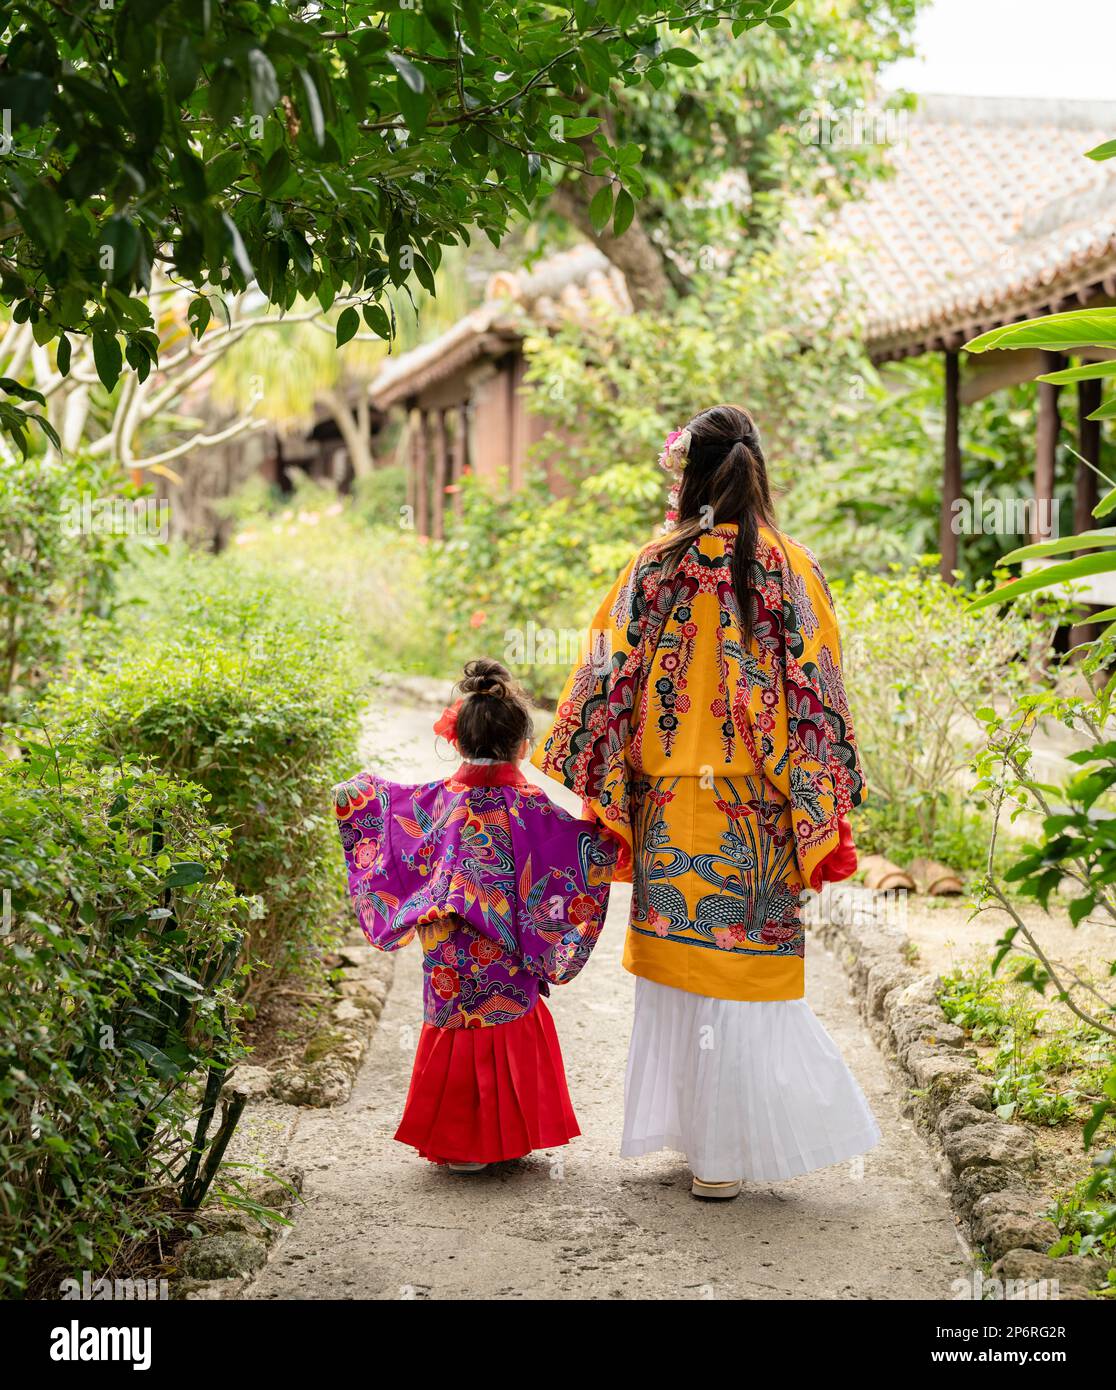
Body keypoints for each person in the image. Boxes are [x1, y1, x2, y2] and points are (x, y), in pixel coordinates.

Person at [532, 403, 880, 1199]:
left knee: (685, 985)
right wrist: (819, 805)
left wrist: (608, 776)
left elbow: (600, 678)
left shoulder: (653, 566)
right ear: (757, 470)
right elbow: (822, 699)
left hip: (667, 813)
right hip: (754, 818)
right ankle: (726, 1155)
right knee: (744, 984)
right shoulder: (794, 568)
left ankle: (700, 1146)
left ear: (687, 472)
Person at [334, 658, 617, 1172]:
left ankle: (460, 1143)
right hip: (509, 946)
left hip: (446, 946)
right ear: (522, 746)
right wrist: (606, 827)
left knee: (455, 1019)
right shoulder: (533, 810)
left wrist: (354, 797)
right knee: (506, 1014)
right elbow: (583, 848)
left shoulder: (434, 801)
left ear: (457, 742)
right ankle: (509, 1135)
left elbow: (384, 814)